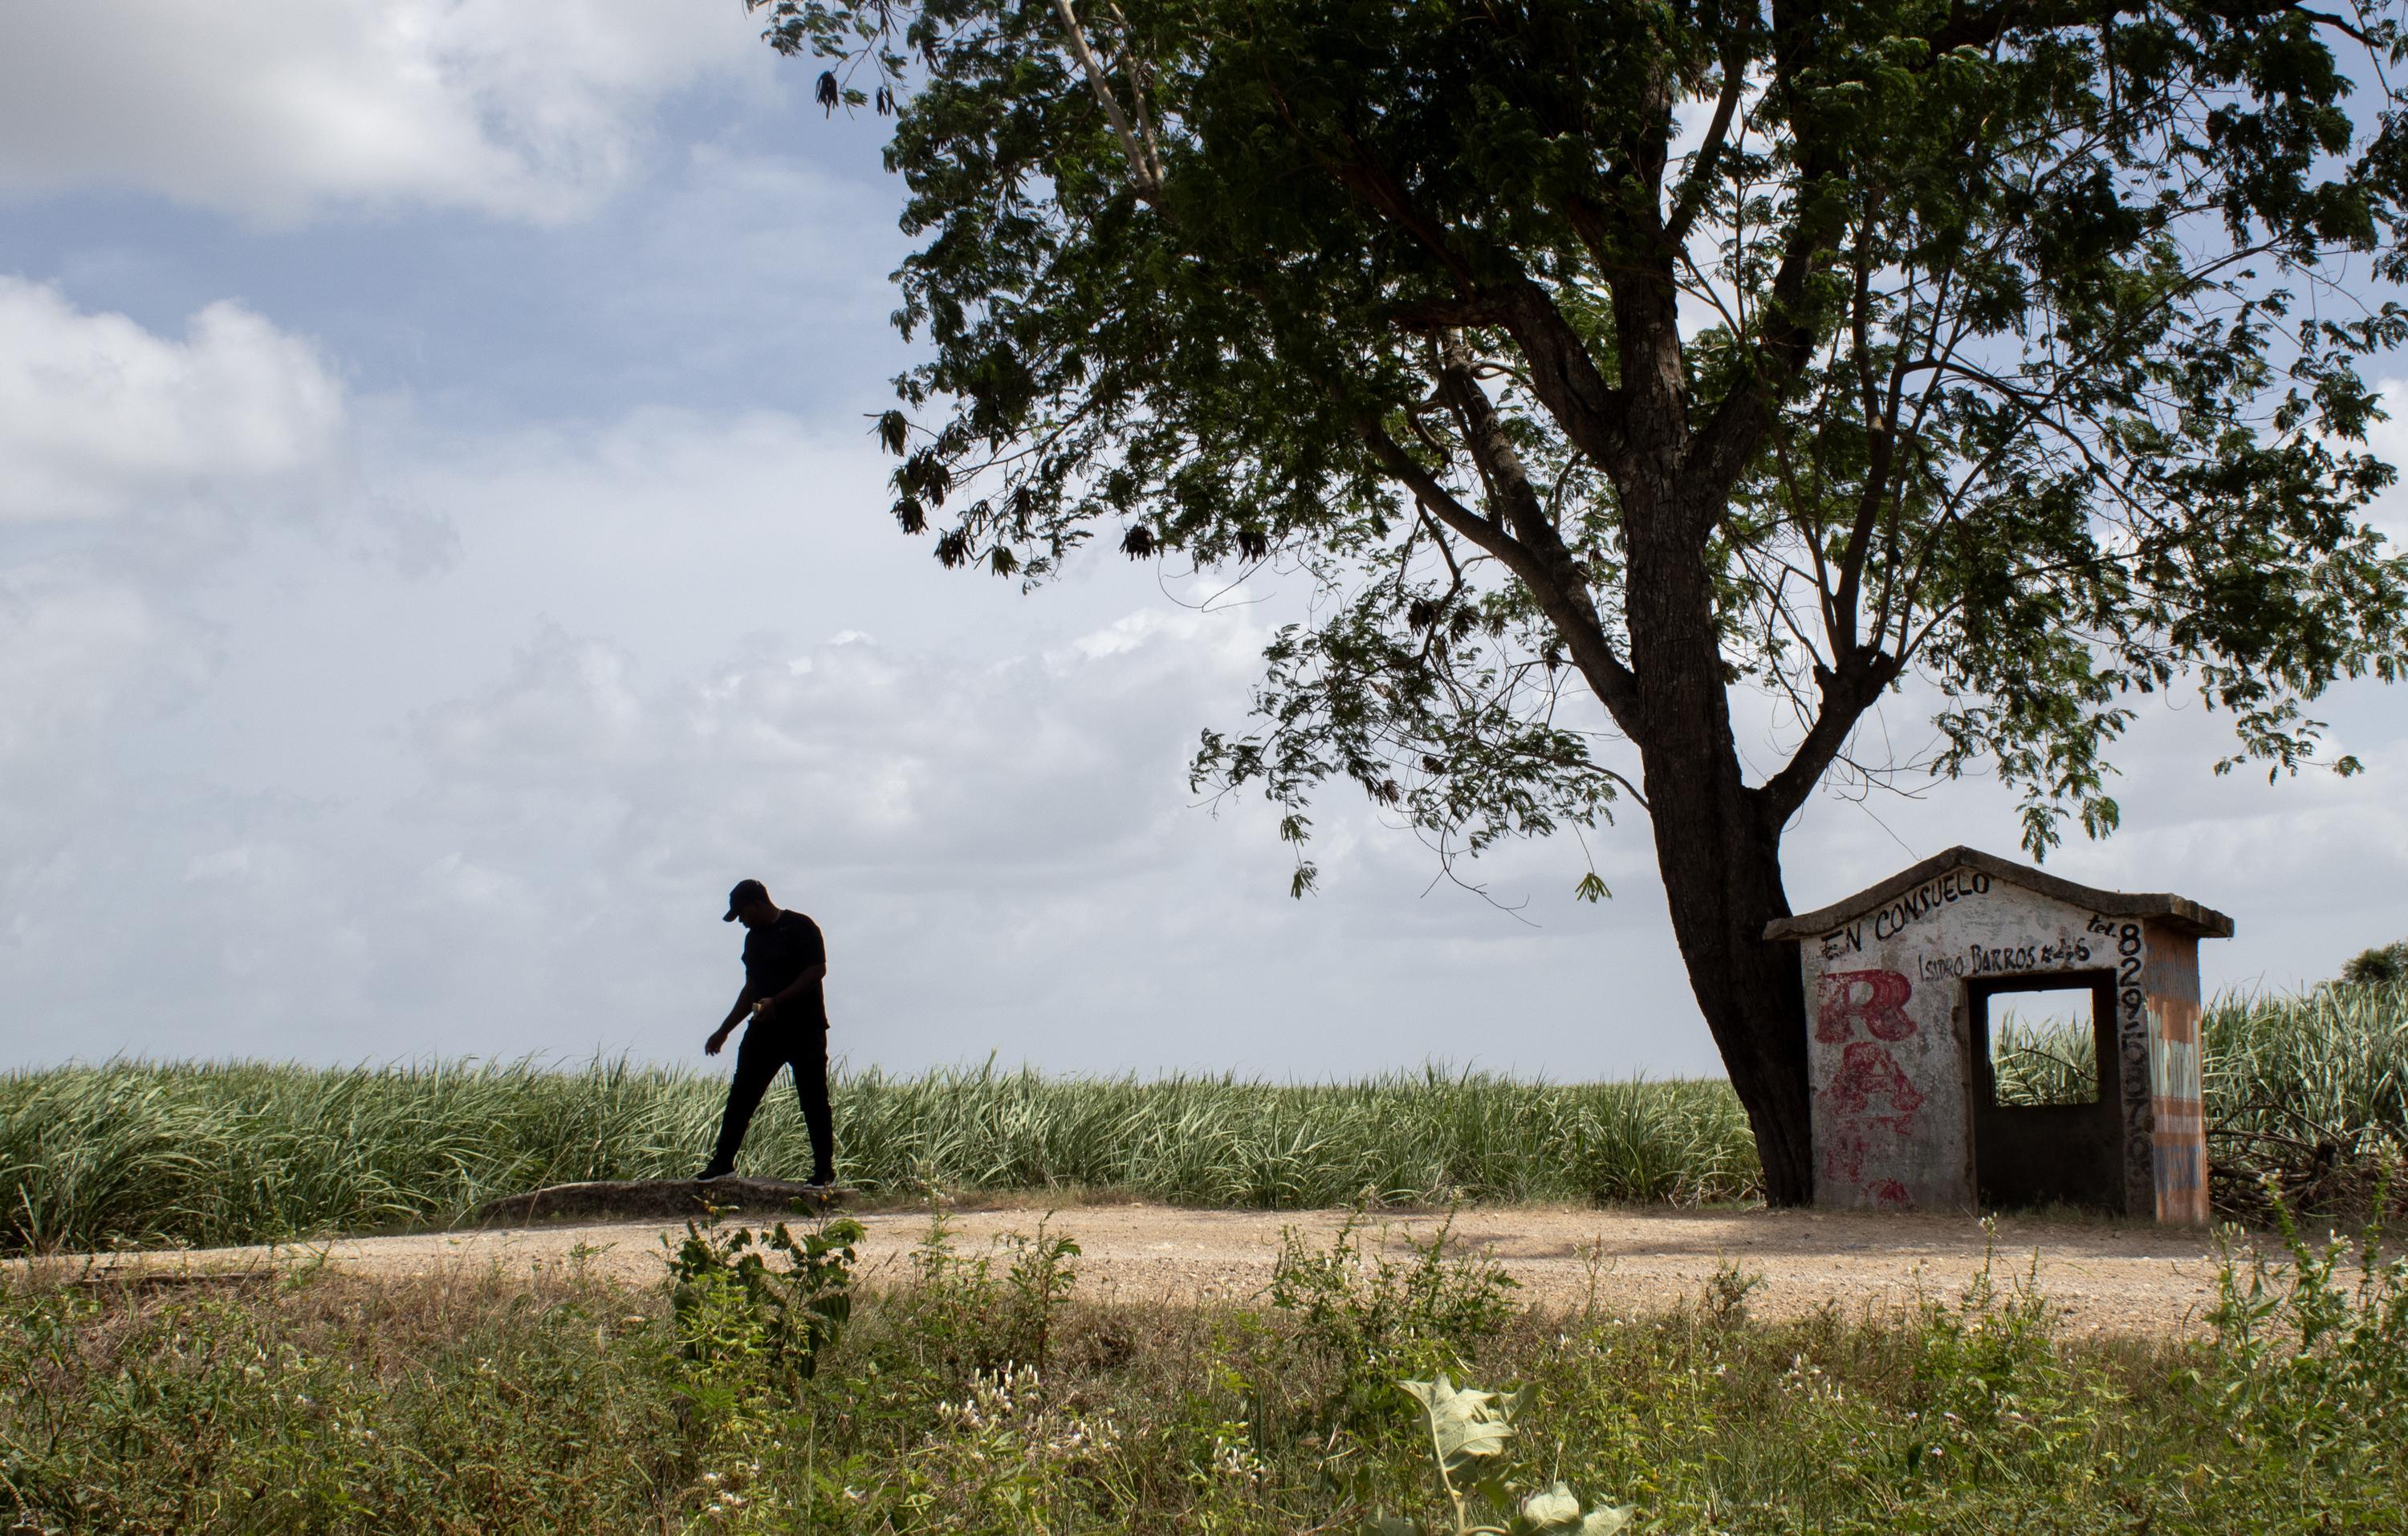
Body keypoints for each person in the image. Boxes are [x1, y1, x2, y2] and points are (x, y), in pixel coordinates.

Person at [696, 878, 835, 1185]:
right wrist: (724, 1030)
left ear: (758, 905)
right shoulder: (754, 940)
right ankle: (722, 1164)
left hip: (805, 1029)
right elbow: (751, 989)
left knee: (813, 1099)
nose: (742, 923)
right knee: (742, 1096)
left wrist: (779, 1001)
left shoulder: (801, 927)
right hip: (764, 1032)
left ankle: (824, 1172)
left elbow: (817, 970)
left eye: (742, 915)